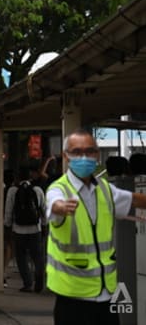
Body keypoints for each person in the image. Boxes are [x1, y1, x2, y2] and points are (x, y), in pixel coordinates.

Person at [46, 129, 146, 325]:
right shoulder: (59, 189)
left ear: (97, 154)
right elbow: (53, 203)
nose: (84, 157)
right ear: (66, 157)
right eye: (77, 152)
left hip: (105, 296)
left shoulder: (106, 190)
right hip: (72, 298)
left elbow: (134, 199)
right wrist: (60, 207)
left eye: (90, 151)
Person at [4, 164, 46, 293]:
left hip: (19, 229)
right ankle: (39, 282)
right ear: (30, 177)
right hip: (35, 229)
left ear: (17, 177)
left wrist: (8, 225)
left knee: (21, 257)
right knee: (37, 256)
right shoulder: (38, 190)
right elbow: (44, 209)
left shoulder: (12, 191)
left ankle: (28, 283)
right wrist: (44, 225)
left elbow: (8, 211)